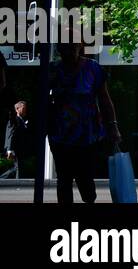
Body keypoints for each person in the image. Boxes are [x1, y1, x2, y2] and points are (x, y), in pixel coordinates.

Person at [49, 42, 120, 204]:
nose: (69, 52)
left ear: (80, 47)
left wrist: (112, 126)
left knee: (85, 177)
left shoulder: (92, 68)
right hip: (60, 133)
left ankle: (89, 199)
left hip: (87, 134)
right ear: (59, 49)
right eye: (66, 48)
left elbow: (104, 99)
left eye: (73, 47)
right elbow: (43, 100)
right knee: (64, 178)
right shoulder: (53, 69)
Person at [4, 100, 31, 177]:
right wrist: (9, 150)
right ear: (17, 109)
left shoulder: (22, 120)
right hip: (15, 149)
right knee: (18, 168)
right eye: (23, 108)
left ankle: (3, 179)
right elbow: (10, 134)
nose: (25, 110)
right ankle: (19, 184)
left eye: (26, 108)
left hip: (21, 149)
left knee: (16, 168)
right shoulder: (14, 120)